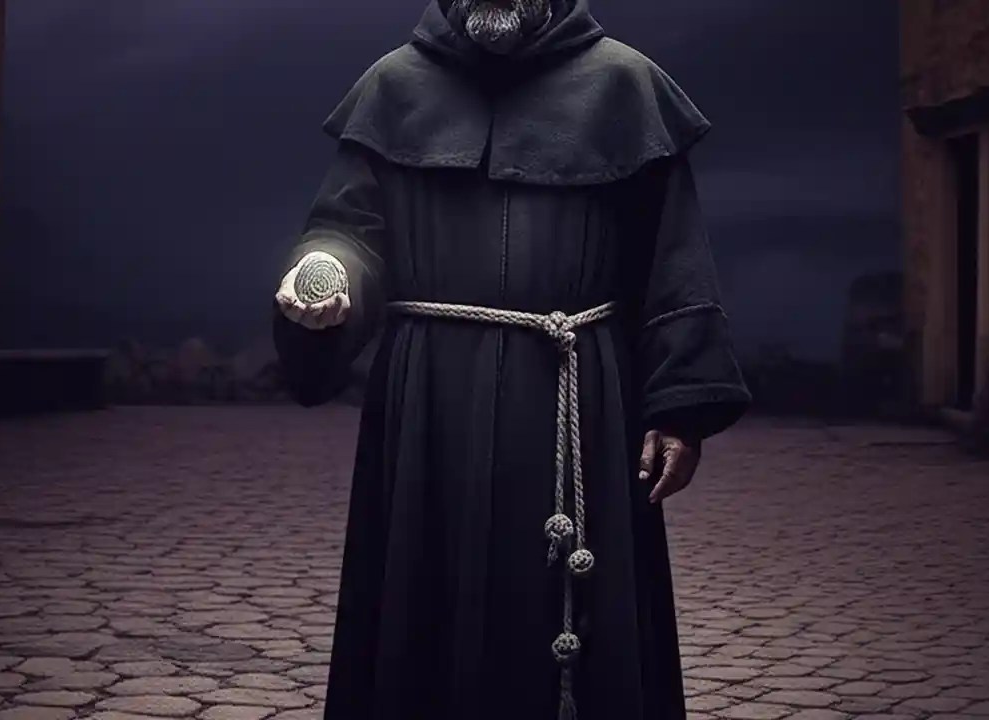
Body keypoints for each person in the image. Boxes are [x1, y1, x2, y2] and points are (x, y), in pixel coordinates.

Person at [271, 1, 751, 718]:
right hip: (431, 407)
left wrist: (680, 407)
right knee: (423, 608)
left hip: (579, 401)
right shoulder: (394, 85)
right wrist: (326, 270)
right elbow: (347, 232)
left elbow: (672, 258)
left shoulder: (626, 86)